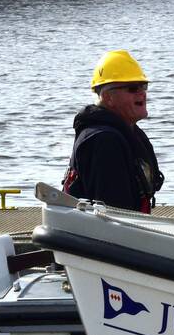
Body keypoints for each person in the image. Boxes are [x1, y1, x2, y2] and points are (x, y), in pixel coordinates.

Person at [64, 50, 164, 213]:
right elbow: (114, 215)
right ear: (108, 97)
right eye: (132, 88)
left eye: (143, 86)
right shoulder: (104, 141)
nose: (142, 93)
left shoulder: (127, 131)